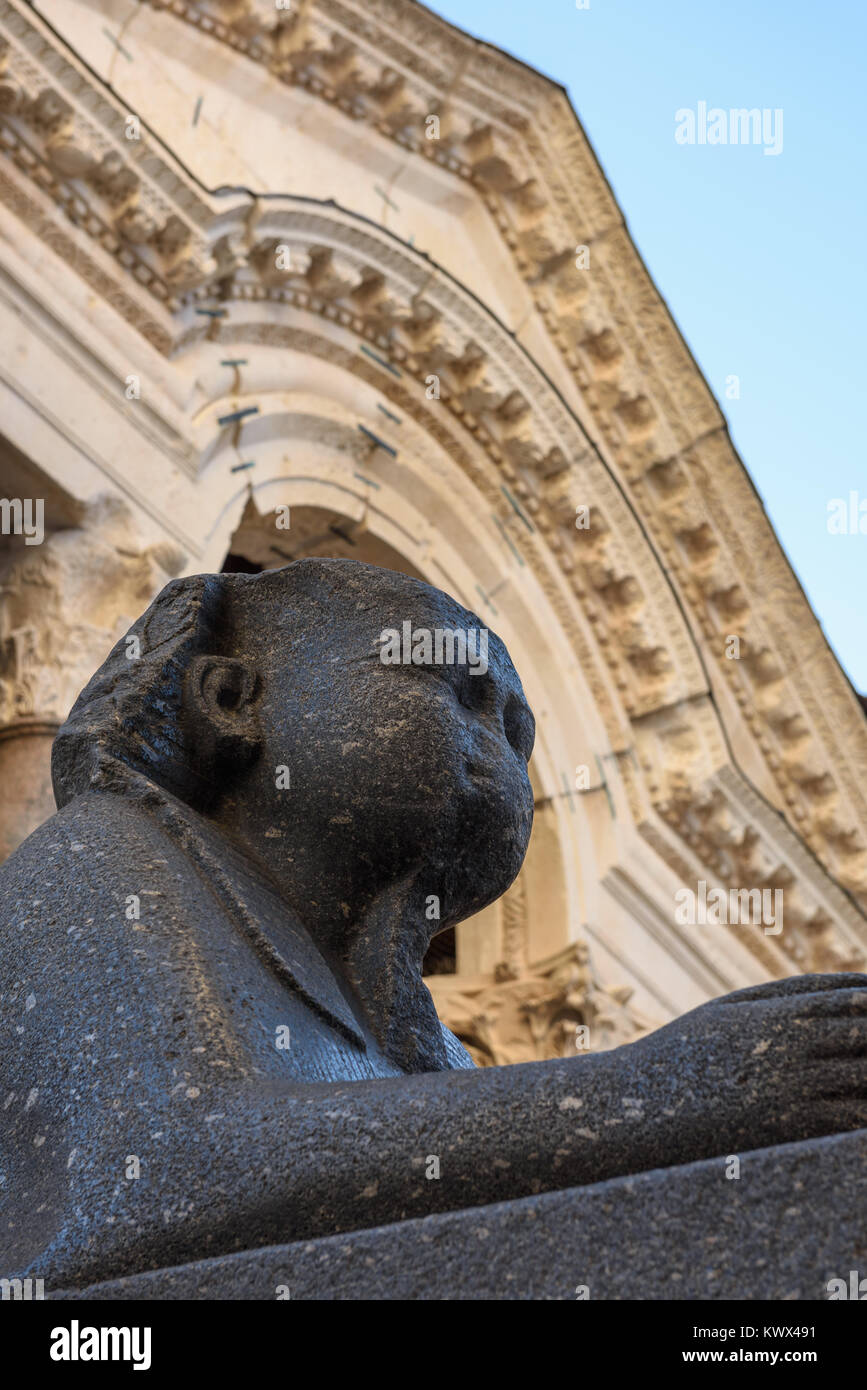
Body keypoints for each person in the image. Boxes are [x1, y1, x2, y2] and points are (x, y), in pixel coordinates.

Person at [1, 559, 865, 1294]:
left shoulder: (435, 1053)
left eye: (517, 731)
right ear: (232, 699)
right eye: (453, 689)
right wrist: (665, 1091)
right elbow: (160, 1175)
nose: (498, 743)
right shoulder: (108, 857)